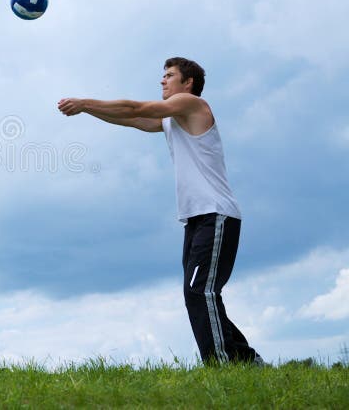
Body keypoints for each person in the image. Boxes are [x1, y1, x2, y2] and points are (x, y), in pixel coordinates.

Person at [57, 57, 263, 365]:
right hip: (196, 218)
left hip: (216, 214)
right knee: (198, 293)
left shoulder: (194, 105)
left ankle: (223, 364)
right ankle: (246, 361)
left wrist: (85, 100)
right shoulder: (172, 119)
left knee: (200, 292)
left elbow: (138, 109)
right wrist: (88, 110)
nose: (162, 81)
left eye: (169, 76)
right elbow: (131, 119)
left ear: (188, 83)